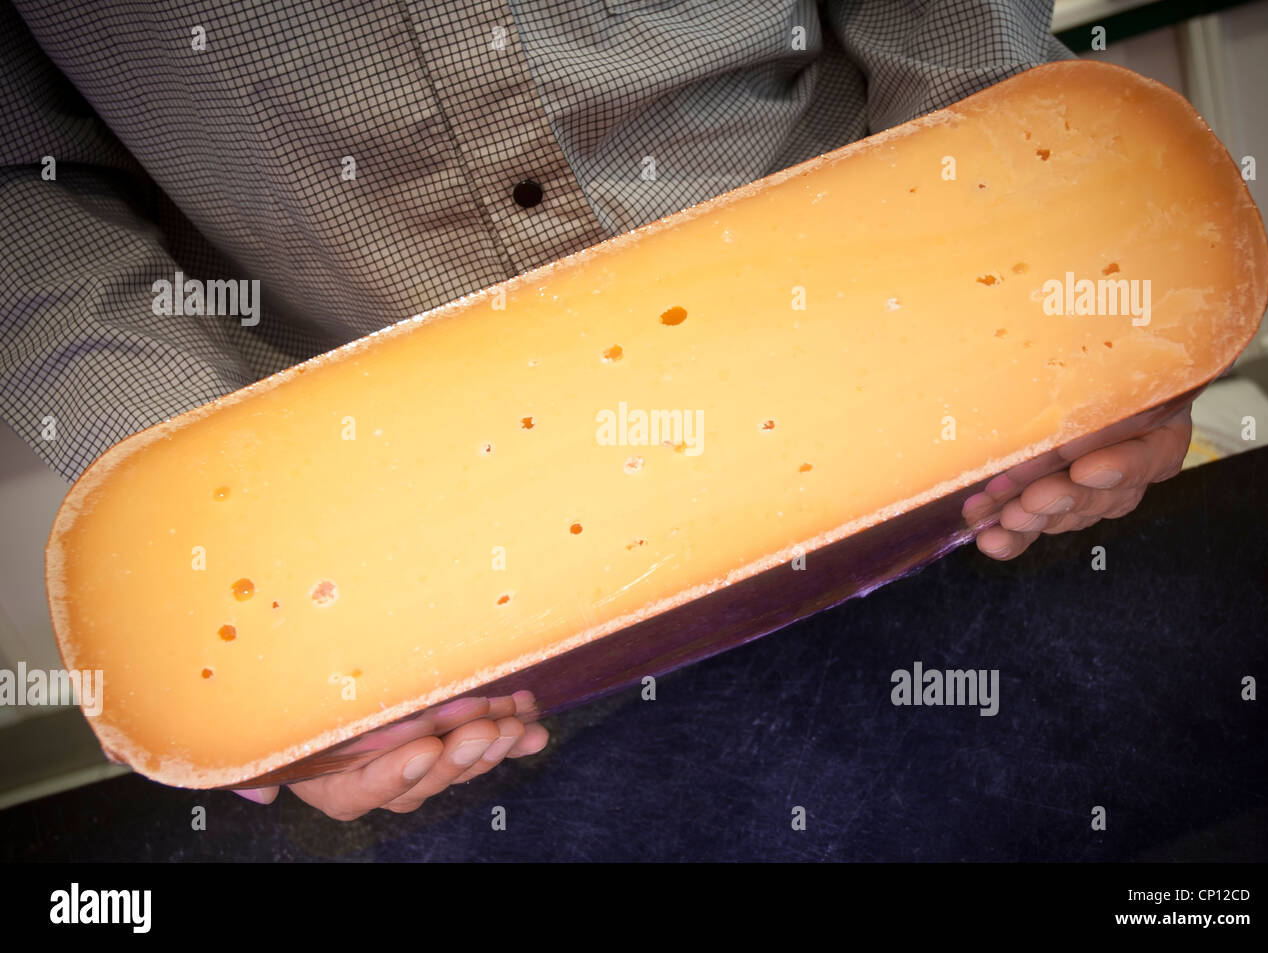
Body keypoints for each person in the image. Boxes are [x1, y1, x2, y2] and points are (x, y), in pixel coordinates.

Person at [0, 0, 1193, 820]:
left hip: (931, 420)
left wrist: (1052, 280)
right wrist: (258, 625)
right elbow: (23, 185)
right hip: (434, 583)